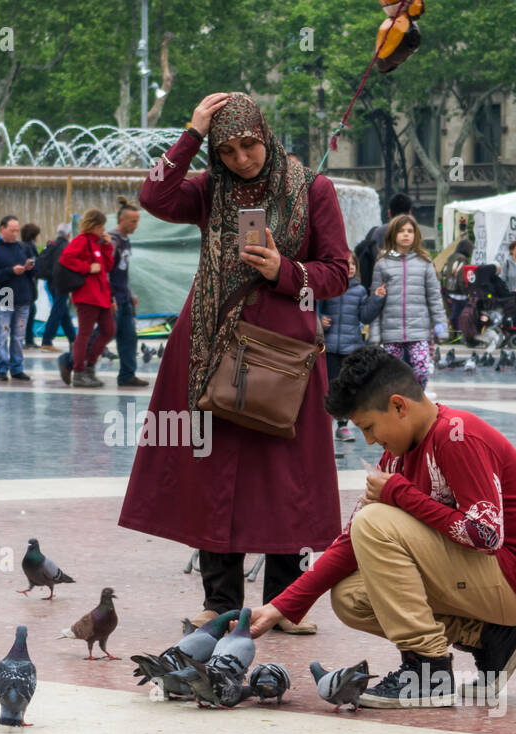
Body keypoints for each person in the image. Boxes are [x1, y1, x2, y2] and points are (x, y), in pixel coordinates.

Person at [118, 91, 349, 635]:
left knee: (283, 473)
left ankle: (284, 602)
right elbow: (153, 194)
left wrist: (284, 270)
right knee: (211, 467)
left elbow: (338, 272)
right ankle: (220, 598)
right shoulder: (206, 189)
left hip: (281, 351)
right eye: (227, 150)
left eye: (249, 145)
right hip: (208, 348)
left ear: (264, 135)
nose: (241, 158)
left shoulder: (312, 188)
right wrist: (193, 132)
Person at [251, 348, 516, 707]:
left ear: (399, 406)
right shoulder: (396, 454)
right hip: (484, 578)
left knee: (374, 521)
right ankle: (491, 639)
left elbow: (485, 534)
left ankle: (428, 671)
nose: (367, 439)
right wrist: (281, 607)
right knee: (351, 598)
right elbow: (351, 542)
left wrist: (399, 493)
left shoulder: (456, 435)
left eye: (368, 426)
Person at [366, 214, 444, 389]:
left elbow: (435, 299)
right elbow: (375, 302)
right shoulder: (382, 264)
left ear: (416, 235)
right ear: (393, 234)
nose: (406, 234)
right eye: (401, 231)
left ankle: (417, 400)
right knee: (390, 377)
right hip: (391, 333)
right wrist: (375, 336)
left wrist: (441, 329)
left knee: (422, 371)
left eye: (410, 231)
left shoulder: (425, 263)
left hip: (419, 331)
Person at [55, 210, 115, 388]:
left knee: (109, 330)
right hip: (87, 296)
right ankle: (80, 372)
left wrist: (107, 246)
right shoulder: (81, 240)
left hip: (102, 295)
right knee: (84, 334)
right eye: (101, 225)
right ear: (95, 225)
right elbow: (66, 259)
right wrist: (87, 267)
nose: (103, 228)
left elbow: (108, 266)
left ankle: (89, 366)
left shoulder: (97, 243)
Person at [320, 251, 370, 442]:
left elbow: (365, 316)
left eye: (353, 264)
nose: (350, 267)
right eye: (346, 263)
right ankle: (326, 424)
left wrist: (378, 299)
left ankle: (342, 426)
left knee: (347, 386)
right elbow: (317, 309)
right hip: (330, 346)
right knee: (329, 386)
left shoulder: (360, 291)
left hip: (351, 347)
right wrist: (319, 320)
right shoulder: (329, 287)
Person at [0, 215, 35, 383]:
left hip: (23, 296)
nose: (15, 233)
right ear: (2, 229)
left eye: (16, 230)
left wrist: (31, 267)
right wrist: (11, 271)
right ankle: (2, 368)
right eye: (12, 230)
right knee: (3, 334)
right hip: (6, 293)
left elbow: (37, 269)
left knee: (19, 336)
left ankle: (17, 368)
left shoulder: (23, 247)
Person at [107, 196, 147, 388]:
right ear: (122, 220)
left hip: (124, 299)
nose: (136, 225)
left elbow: (123, 272)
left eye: (137, 221)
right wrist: (109, 297)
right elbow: (106, 271)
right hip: (112, 299)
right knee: (103, 335)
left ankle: (127, 375)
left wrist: (130, 294)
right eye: (133, 221)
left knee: (129, 338)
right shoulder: (112, 241)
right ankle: (70, 361)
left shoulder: (125, 241)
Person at [356, 192, 414, 291]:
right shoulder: (414, 234)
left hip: (379, 291)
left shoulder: (376, 233)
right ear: (410, 213)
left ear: (389, 213)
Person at [37, 224, 75, 352]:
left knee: (62, 311)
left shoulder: (52, 244)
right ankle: (47, 340)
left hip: (50, 282)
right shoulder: (65, 246)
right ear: (68, 234)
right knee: (58, 311)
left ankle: (73, 340)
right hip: (61, 283)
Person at [440, 238, 473, 338]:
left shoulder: (451, 257)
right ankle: (440, 332)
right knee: (455, 315)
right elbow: (462, 277)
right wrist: (467, 292)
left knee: (454, 315)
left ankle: (447, 334)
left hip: (449, 291)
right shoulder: (463, 259)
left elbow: (443, 273)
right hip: (459, 293)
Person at [20, 222, 41, 350]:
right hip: (27, 285)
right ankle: (26, 339)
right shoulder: (29, 248)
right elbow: (33, 266)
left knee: (29, 311)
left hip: (28, 285)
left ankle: (28, 339)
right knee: (28, 312)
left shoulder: (25, 247)